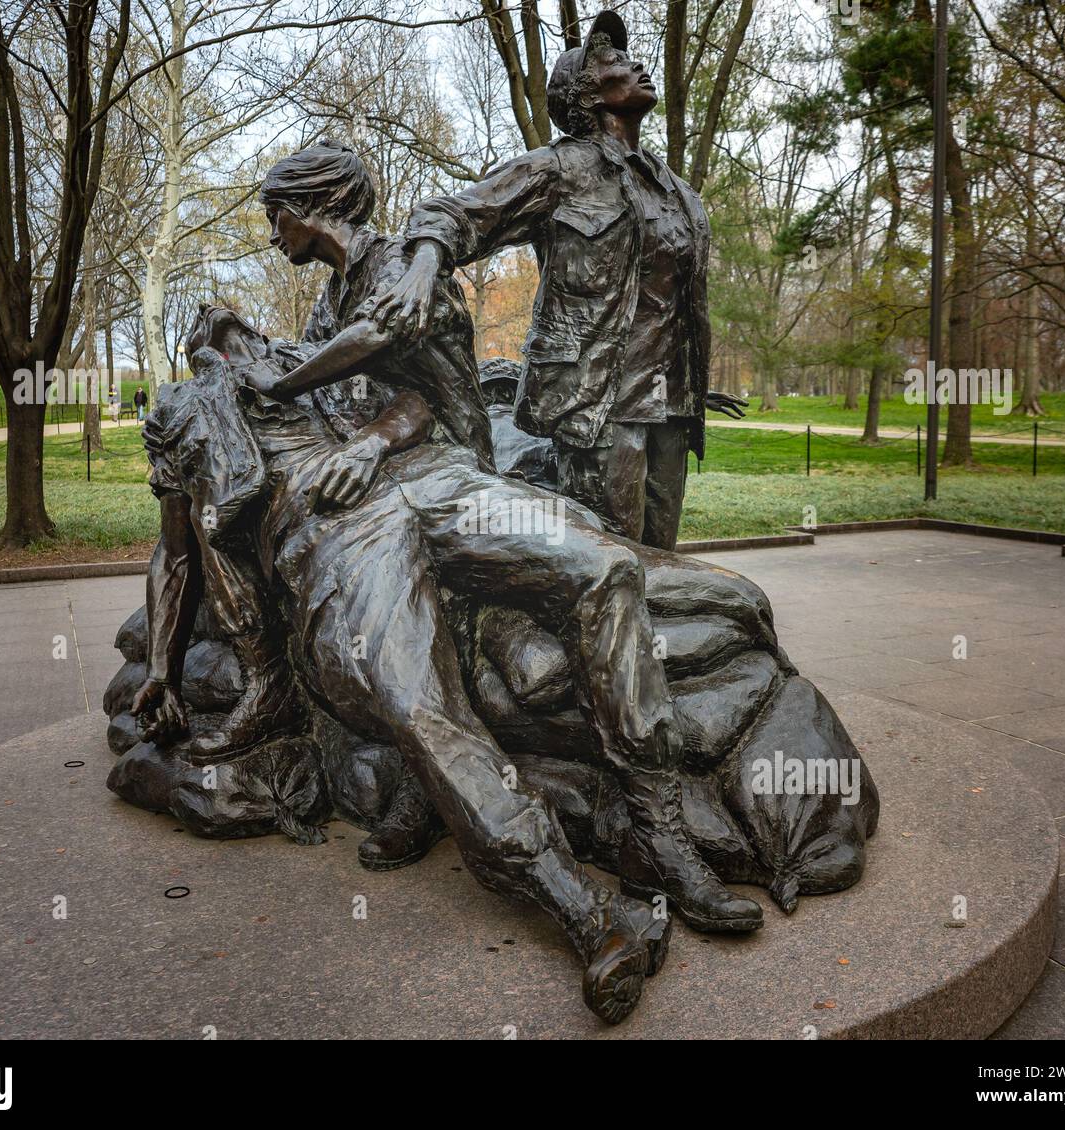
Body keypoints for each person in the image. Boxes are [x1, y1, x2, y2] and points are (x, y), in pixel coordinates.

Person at [131, 143, 771, 1022]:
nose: (225, 323)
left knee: (609, 566)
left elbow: (410, 386)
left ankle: (657, 826)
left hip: (440, 477)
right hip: (346, 531)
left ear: (304, 206)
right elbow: (191, 540)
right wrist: (183, 664)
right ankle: (588, 916)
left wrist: (365, 439)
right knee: (422, 705)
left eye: (271, 217)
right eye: (214, 332)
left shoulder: (383, 279)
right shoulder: (227, 382)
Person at [370, 10, 745, 551]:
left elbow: (665, 304)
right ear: (586, 94)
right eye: (615, 60)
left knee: (663, 561)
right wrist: (425, 265)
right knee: (611, 559)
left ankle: (658, 639)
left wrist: (689, 380)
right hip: (597, 404)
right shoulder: (559, 170)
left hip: (668, 407)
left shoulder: (678, 194)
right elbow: (455, 213)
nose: (636, 64)